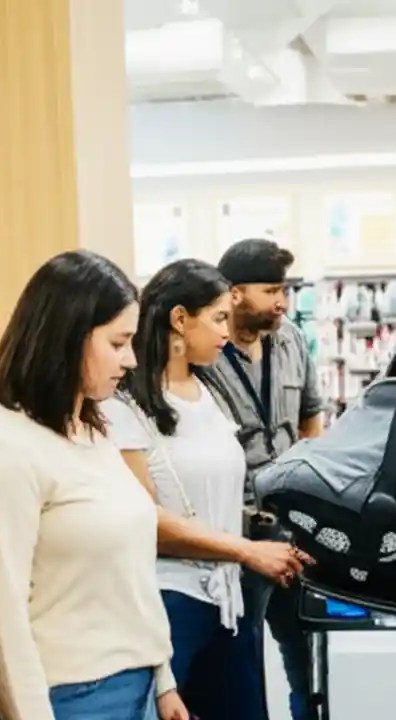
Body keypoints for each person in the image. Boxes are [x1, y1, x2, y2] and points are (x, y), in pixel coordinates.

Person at [0, 251, 190, 720]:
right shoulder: (6, 454)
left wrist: (163, 680)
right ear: (67, 336)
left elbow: (131, 576)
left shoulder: (91, 432)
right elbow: (0, 623)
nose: (130, 360)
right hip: (67, 697)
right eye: (118, 342)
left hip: (135, 685)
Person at [103, 258, 311, 720]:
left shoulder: (210, 391)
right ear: (180, 319)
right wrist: (246, 551)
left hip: (227, 601)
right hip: (170, 603)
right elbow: (146, 523)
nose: (226, 331)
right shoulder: (126, 407)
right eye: (218, 318)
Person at [203, 238, 324, 720]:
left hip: (296, 524)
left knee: (306, 655)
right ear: (234, 293)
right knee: (241, 658)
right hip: (238, 528)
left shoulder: (290, 339)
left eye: (285, 290)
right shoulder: (205, 352)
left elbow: (311, 412)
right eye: (271, 290)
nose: (282, 302)